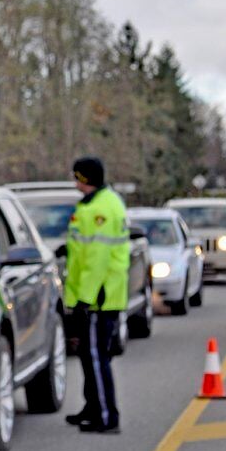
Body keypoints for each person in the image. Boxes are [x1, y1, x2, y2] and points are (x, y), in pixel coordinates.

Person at [62, 157, 129, 434]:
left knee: (95, 355)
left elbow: (97, 259)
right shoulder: (94, 204)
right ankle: (92, 407)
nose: (75, 182)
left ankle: (105, 414)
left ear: (87, 179)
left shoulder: (102, 208)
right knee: (89, 357)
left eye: (78, 177)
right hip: (93, 295)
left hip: (98, 298)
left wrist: (85, 299)